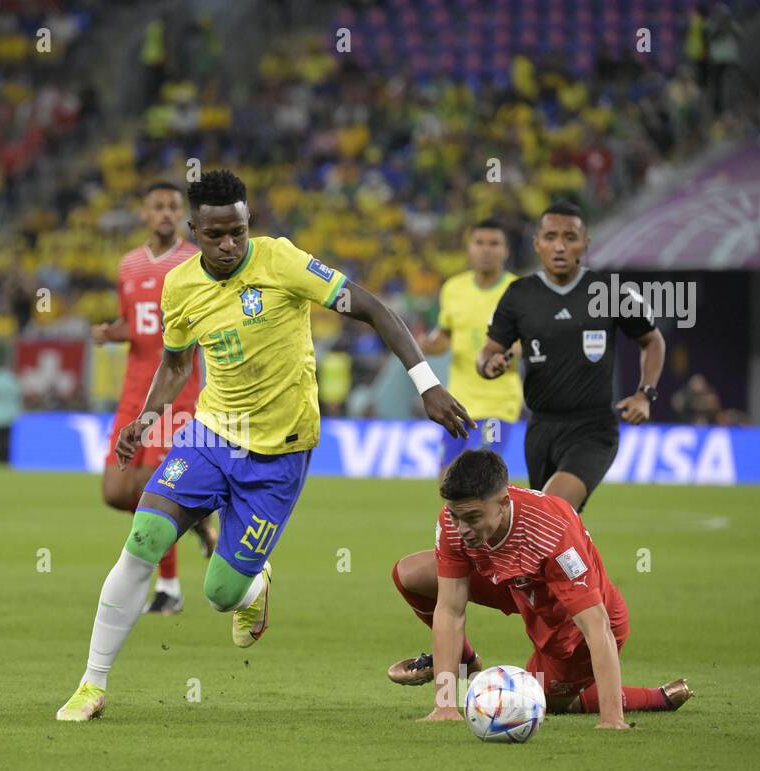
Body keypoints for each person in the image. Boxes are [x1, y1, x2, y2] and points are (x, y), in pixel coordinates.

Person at [56, 168, 475, 721]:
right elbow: (178, 361)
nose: (229, 244)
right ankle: (92, 683)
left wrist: (428, 385)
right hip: (209, 434)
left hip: (280, 451)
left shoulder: (281, 261)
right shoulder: (179, 284)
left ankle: (252, 589)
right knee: (145, 535)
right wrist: (147, 416)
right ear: (193, 230)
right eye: (215, 235)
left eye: (238, 231)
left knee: (221, 593)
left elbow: (374, 309)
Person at [388, 450, 691, 724]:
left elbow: (597, 626)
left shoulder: (552, 531)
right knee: (410, 575)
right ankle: (465, 661)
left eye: (472, 518)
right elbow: (450, 609)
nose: (462, 528)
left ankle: (655, 698)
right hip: (513, 586)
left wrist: (612, 721)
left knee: (534, 701)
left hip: (568, 620)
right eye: (455, 516)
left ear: (503, 504)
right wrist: (445, 706)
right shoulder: (455, 523)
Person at [475, 201, 667, 512]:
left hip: (593, 428)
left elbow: (652, 340)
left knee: (550, 508)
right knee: (555, 529)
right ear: (537, 244)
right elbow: (487, 353)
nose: (560, 246)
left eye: (570, 237)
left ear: (585, 243)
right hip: (540, 430)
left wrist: (645, 394)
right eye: (550, 237)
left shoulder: (608, 291)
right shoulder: (518, 295)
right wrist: (489, 365)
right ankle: (578, 562)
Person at [94, 182, 214, 614]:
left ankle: (169, 588)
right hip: (132, 392)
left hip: (174, 392)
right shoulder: (127, 266)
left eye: (173, 207)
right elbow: (136, 324)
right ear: (144, 214)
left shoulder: (195, 262)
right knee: (115, 489)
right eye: (158, 206)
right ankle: (195, 520)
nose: (166, 213)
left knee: (152, 487)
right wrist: (110, 332)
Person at [417, 219, 520, 477]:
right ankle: (458, 520)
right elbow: (445, 335)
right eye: (479, 243)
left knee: (476, 476)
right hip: (457, 403)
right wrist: (429, 345)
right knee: (447, 479)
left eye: (494, 243)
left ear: (505, 250)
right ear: (469, 248)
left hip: (498, 403)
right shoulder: (453, 288)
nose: (486, 249)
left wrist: (507, 354)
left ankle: (500, 516)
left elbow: (526, 341)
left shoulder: (518, 290)